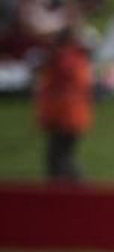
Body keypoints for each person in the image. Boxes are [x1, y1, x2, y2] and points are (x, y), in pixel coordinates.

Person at [33, 21, 88, 181]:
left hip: (65, 116)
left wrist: (52, 54)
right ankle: (68, 190)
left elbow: (63, 71)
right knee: (60, 156)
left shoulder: (66, 57)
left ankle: (71, 191)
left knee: (59, 157)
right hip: (65, 116)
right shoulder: (73, 56)